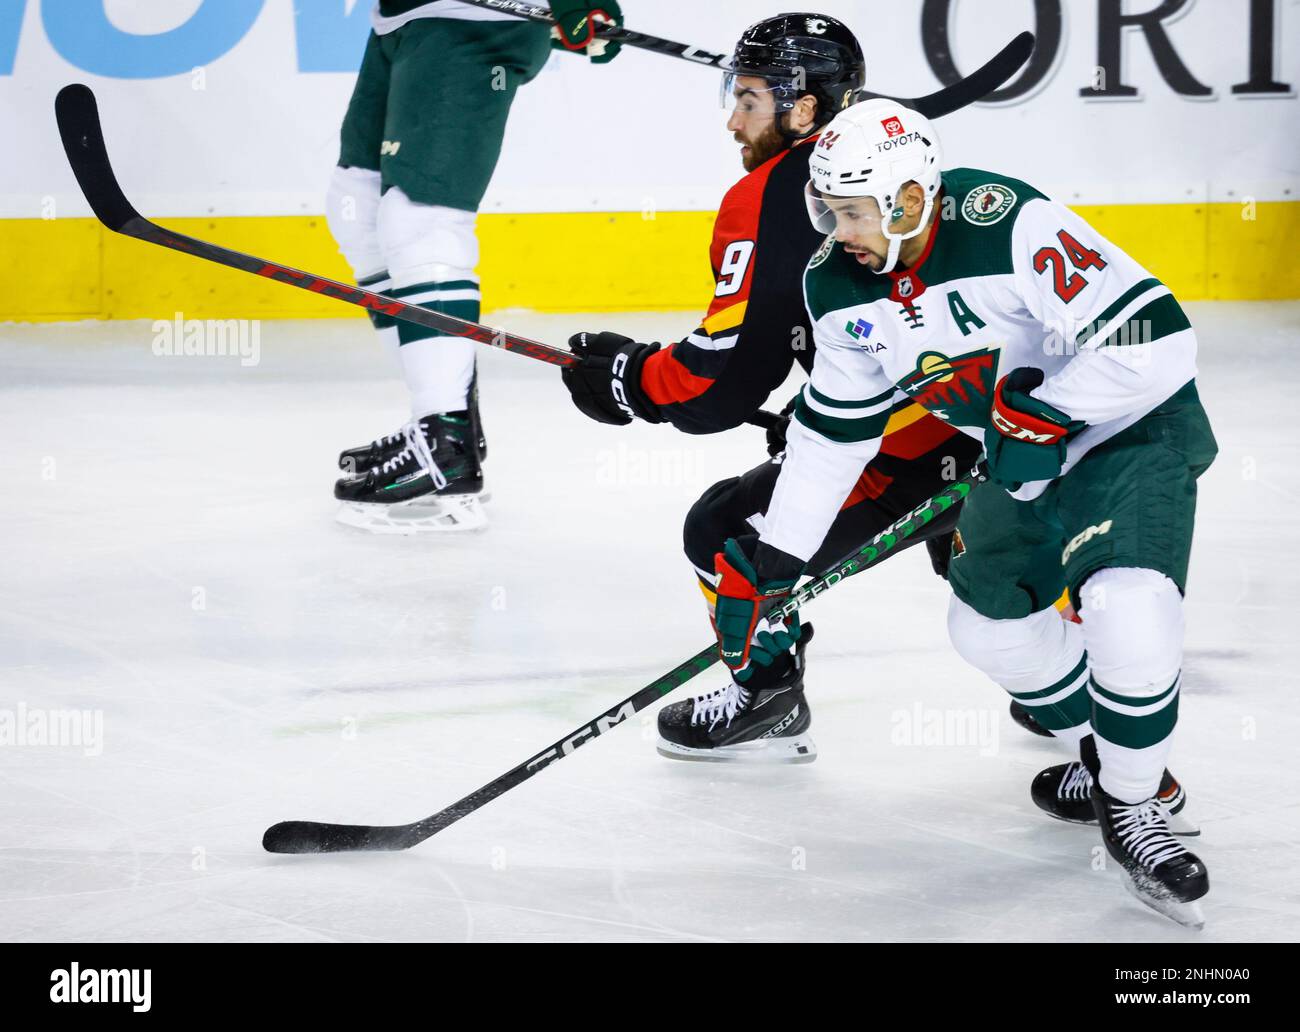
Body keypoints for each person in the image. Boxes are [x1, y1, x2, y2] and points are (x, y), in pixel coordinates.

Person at [710, 97, 1216, 925]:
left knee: (1128, 601)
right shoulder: (836, 287)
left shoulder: (1004, 222)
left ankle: (1134, 802)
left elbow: (1157, 342)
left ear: (911, 200)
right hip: (1019, 460)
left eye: (853, 212)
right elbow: (832, 434)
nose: (838, 231)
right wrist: (778, 564)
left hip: (1130, 427)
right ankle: (1109, 747)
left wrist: (1050, 409)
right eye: (827, 212)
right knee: (984, 628)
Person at [560, 14, 980, 762]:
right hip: (995, 433)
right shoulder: (898, 169)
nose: (732, 119)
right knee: (993, 559)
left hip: (905, 450)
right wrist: (811, 409)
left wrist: (632, 381)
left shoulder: (771, 193)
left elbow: (722, 378)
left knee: (722, 531)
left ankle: (766, 696)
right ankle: (1074, 701)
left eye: (749, 98)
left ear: (806, 109)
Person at [326, 0, 623, 533]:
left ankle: (444, 441)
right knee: (359, 208)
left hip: (470, 23)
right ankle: (440, 420)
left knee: (421, 220)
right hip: (404, 17)